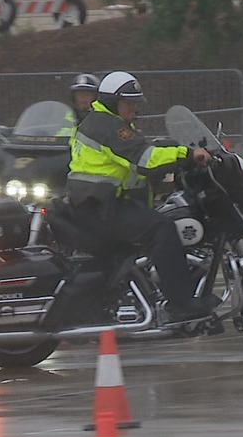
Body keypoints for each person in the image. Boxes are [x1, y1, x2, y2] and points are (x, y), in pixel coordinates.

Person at [66, 71, 216, 322]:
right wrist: (188, 155)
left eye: (136, 103)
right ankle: (181, 304)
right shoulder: (107, 125)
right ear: (114, 102)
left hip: (95, 206)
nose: (134, 108)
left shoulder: (103, 121)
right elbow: (145, 159)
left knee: (157, 219)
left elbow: (136, 155)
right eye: (129, 103)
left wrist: (172, 156)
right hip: (101, 209)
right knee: (162, 228)